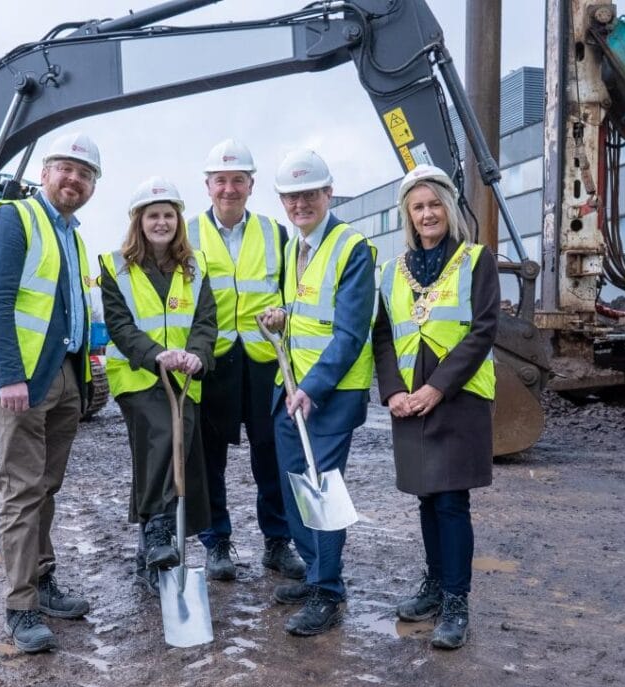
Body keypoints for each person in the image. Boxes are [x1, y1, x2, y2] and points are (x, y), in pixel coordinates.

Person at [0, 132, 101, 655]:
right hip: (18, 381)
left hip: (62, 375)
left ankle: (43, 583)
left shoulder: (73, 236)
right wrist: (8, 375)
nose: (74, 179)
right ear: (45, 172)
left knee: (46, 487)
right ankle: (19, 607)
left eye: (85, 174)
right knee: (22, 490)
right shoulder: (13, 218)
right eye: (66, 168)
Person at [371, 164, 500, 650]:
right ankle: (434, 583)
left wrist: (437, 388)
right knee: (427, 497)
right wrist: (392, 392)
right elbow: (382, 336)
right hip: (409, 400)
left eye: (435, 204)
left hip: (458, 396)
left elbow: (483, 329)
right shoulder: (391, 270)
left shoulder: (474, 260)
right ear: (408, 215)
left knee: (451, 501)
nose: (428, 214)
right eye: (418, 207)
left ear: (449, 206)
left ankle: (455, 600)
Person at [259, 150, 377, 636]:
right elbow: (309, 307)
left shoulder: (352, 247)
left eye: (310, 194)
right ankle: (314, 574)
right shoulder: (294, 247)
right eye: (292, 196)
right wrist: (282, 315)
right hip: (291, 390)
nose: (301, 203)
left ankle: (327, 591)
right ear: (283, 202)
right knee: (296, 489)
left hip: (327, 394)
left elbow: (350, 333)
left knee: (322, 492)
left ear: (329, 194)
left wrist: (312, 387)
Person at [186, 139, 305, 583]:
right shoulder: (188, 233)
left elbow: (294, 292)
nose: (229, 189)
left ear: (251, 185)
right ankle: (216, 542)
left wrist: (285, 314)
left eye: (238, 180)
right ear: (208, 185)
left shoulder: (275, 233)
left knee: (270, 454)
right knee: (210, 456)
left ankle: (277, 541)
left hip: (263, 359)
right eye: (221, 180)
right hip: (211, 360)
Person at [100, 177, 217, 593]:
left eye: (169, 215)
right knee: (166, 435)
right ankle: (159, 532)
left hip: (184, 378)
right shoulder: (115, 266)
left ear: (178, 220)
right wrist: (155, 356)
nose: (162, 222)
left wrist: (198, 355)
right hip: (137, 377)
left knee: (167, 448)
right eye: (154, 215)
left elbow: (205, 323)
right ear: (139, 221)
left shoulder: (196, 266)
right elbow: (119, 324)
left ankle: (150, 545)